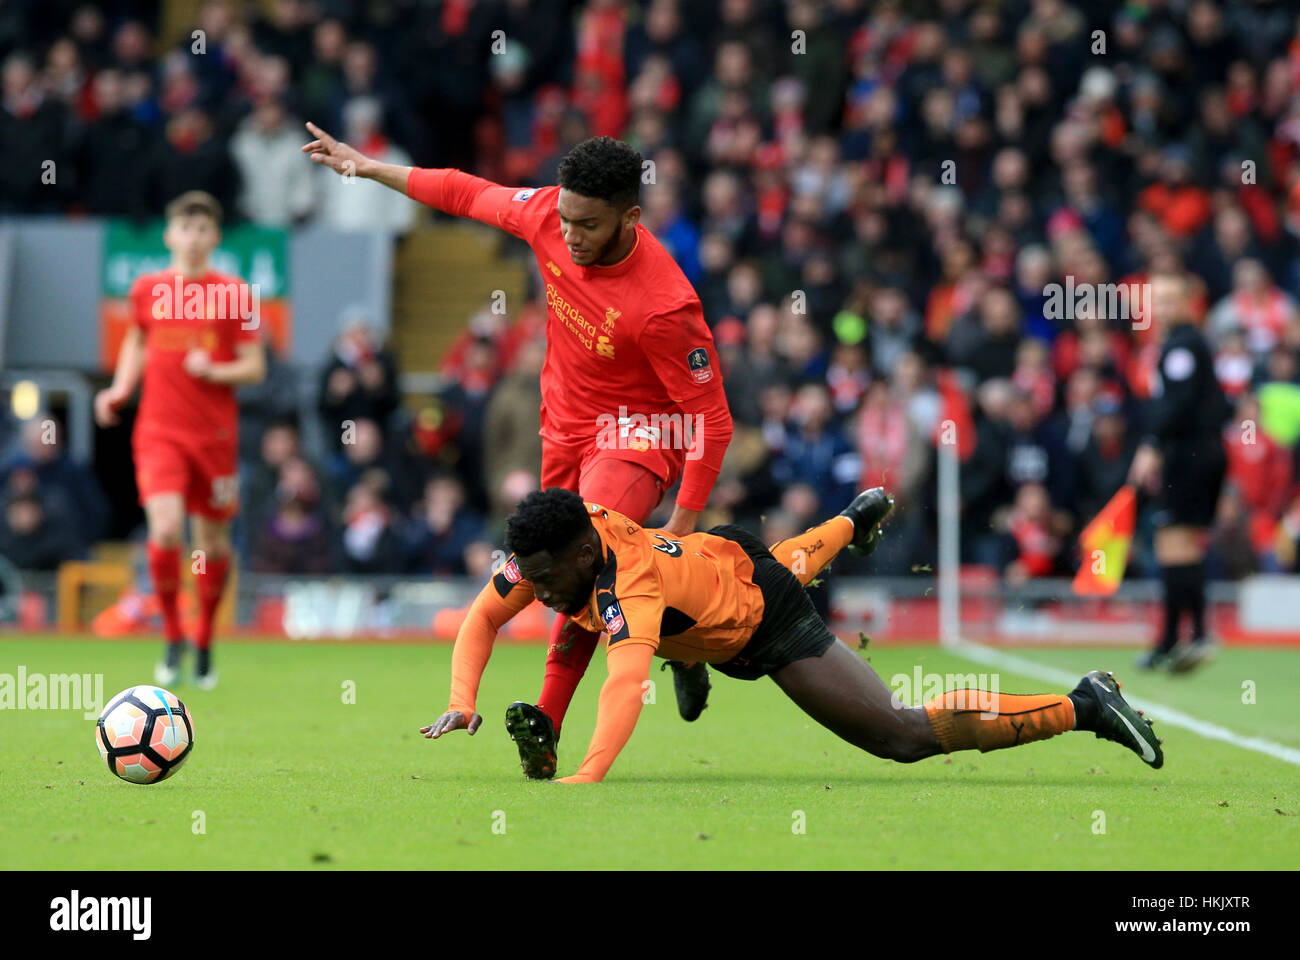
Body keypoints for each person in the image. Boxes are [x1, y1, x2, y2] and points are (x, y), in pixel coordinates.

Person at [304, 122, 736, 773]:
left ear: (631, 217)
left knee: (579, 554)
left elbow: (713, 418)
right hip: (562, 430)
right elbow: (462, 192)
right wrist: (368, 168)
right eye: (565, 218)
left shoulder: (664, 305)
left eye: (587, 225)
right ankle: (684, 645)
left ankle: (549, 721)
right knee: (560, 563)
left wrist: (683, 519)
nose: (569, 234)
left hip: (638, 435)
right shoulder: (547, 216)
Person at [420, 487, 1162, 783]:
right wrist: (462, 697)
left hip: (759, 619)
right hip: (719, 557)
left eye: (546, 580)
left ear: (583, 555)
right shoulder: (560, 540)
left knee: (898, 736)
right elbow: (483, 615)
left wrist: (588, 775)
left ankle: (1084, 703)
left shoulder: (627, 585)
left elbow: (621, 682)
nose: (538, 593)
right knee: (775, 562)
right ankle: (850, 521)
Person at [94, 191, 267, 689]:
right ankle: (172, 636)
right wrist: (121, 388)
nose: (192, 238)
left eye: (202, 229)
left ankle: (205, 637)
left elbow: (255, 367)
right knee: (167, 530)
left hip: (214, 439)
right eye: (184, 228)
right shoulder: (147, 289)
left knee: (210, 543)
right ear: (170, 235)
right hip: (159, 431)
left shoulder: (235, 294)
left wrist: (214, 368)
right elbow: (137, 340)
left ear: (214, 237)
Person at [1128, 272, 1231, 673]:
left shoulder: (1182, 346)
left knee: (1174, 542)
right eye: (1158, 300)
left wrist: (1151, 444)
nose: (1163, 307)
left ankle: (1183, 637)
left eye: (1171, 299)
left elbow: (1179, 404)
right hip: (1197, 452)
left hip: (1189, 455)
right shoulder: (1183, 344)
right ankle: (1184, 637)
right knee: (1181, 543)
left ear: (1189, 301)